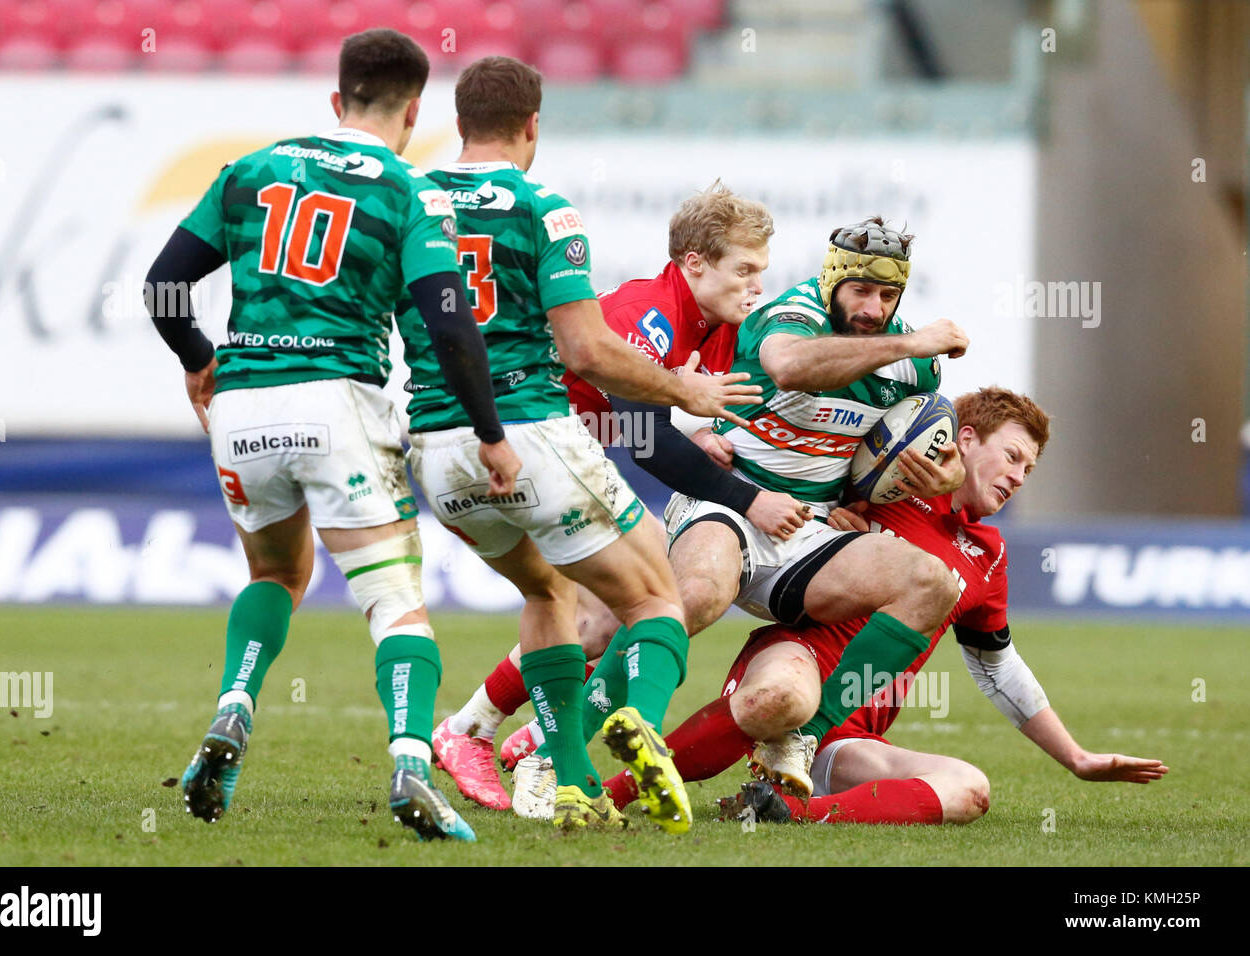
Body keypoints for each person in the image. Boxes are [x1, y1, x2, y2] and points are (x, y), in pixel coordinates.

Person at [143, 29, 522, 842]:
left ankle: (234, 707)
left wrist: (199, 359)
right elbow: (450, 323)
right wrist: (489, 431)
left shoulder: (252, 169)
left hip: (243, 404)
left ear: (335, 99)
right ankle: (413, 767)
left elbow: (165, 285)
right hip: (338, 404)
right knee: (394, 602)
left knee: (277, 572)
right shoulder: (408, 191)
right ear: (416, 111)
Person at [399, 57, 762, 832]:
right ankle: (640, 727)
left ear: (455, 124)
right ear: (534, 125)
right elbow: (587, 354)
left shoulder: (407, 201)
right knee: (660, 594)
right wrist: (688, 394)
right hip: (530, 434)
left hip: (434, 444)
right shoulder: (547, 210)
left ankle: (560, 777)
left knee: (549, 595)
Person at [501, 219, 977, 806]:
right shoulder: (794, 315)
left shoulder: (913, 364)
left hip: (807, 531)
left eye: (886, 296)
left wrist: (944, 472)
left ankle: (804, 737)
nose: (872, 308)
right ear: (831, 280)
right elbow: (789, 366)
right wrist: (911, 342)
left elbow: (901, 450)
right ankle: (551, 758)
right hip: (728, 500)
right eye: (859, 291)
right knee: (693, 594)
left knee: (933, 583)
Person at [609, 387, 1168, 823]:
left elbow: (998, 670)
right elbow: (791, 443)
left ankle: (786, 810)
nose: (1019, 477)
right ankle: (612, 794)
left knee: (970, 789)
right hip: (793, 654)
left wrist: (1077, 757)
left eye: (1030, 470)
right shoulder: (877, 479)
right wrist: (708, 434)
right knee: (780, 697)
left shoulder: (989, 555)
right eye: (1014, 456)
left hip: (848, 736)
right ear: (965, 439)